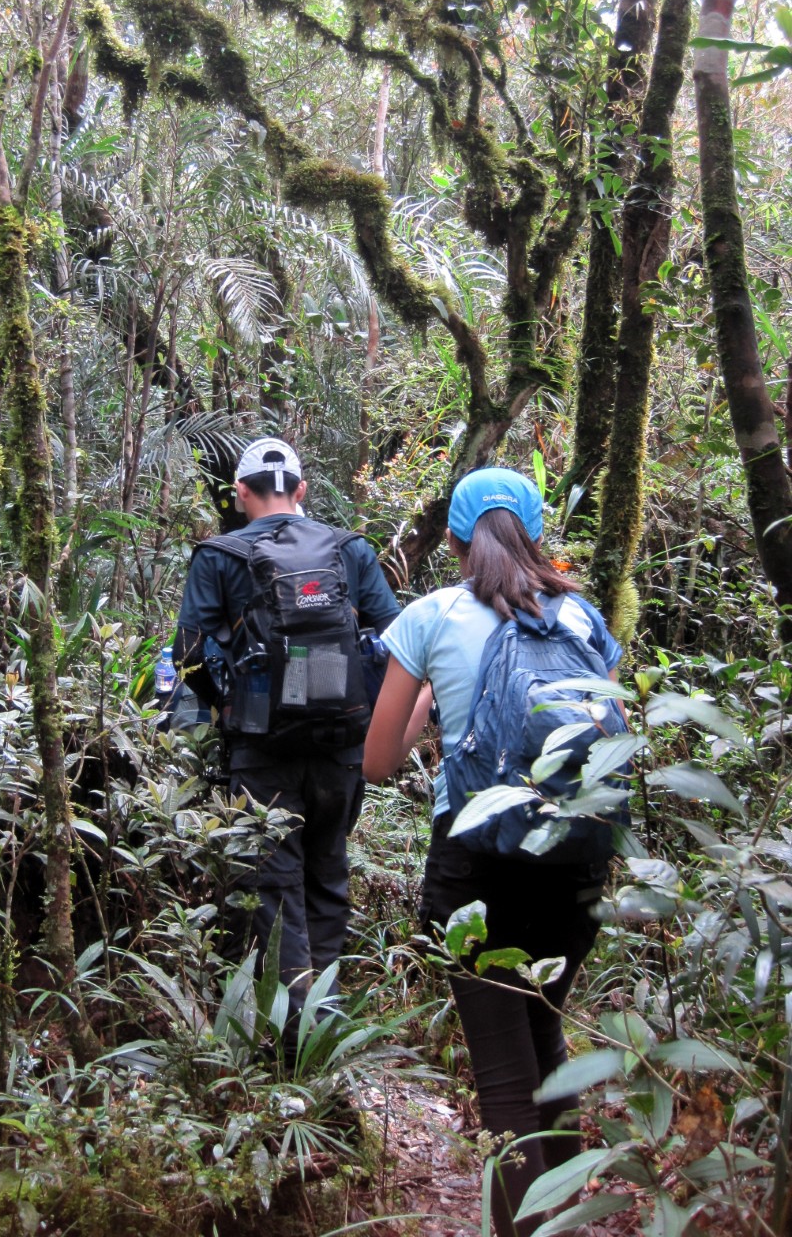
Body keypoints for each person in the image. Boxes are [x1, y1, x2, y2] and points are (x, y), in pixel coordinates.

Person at [363, 468, 621, 1237]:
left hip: (475, 861)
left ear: (451, 536)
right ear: (538, 531)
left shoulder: (432, 615)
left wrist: (438, 705)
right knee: (545, 1041)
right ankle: (568, 1219)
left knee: (505, 1077)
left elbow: (378, 763)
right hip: (574, 862)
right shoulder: (581, 616)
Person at [172, 437, 400, 1017]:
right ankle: (327, 1018)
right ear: (301, 491)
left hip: (261, 748)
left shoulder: (218, 555)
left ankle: (294, 1032)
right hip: (343, 744)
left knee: (275, 885)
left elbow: (190, 652)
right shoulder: (350, 549)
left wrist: (223, 709)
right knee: (327, 870)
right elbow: (398, 639)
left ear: (241, 493)